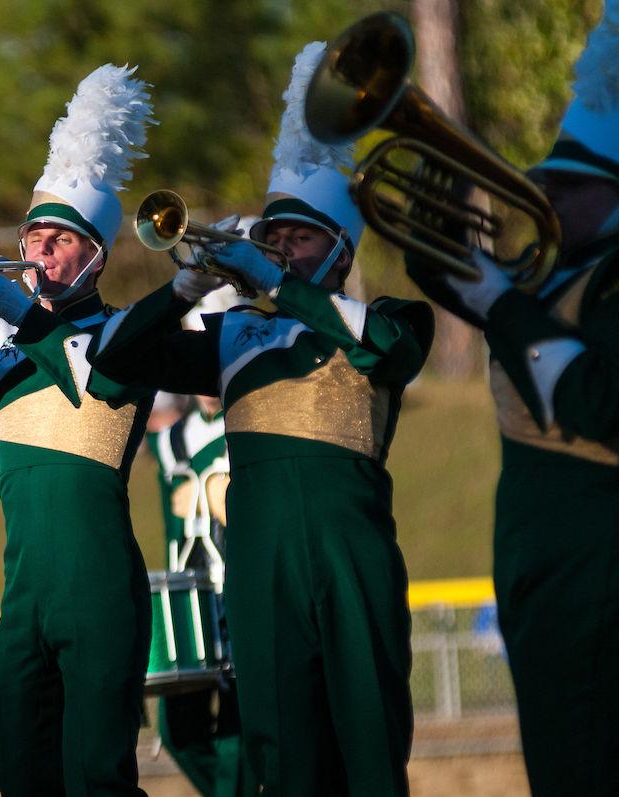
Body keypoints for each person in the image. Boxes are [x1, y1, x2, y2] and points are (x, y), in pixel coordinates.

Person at [93, 42, 433, 795]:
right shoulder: (236, 335)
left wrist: (279, 281)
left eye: (299, 236)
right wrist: (181, 289)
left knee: (373, 743)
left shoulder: (385, 315)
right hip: (262, 563)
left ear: (340, 251)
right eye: (271, 236)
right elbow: (117, 363)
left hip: (353, 553)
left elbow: (387, 351)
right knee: (279, 754)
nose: (278, 247)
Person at [0, 64, 156, 796]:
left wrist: (16, 309)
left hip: (99, 582)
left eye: (58, 240)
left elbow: (85, 377)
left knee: (97, 776)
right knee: (19, 772)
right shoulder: (9, 344)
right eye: (32, 235)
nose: (39, 252)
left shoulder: (124, 334)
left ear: (96, 255)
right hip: (24, 589)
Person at [403, 5, 619, 792]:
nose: (543, 193)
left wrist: (499, 301)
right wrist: (438, 161)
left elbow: (600, 402)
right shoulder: (549, 277)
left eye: (568, 183)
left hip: (598, 580)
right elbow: (436, 272)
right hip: (544, 579)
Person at [147, 393, 255, 797]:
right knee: (178, 733)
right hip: (188, 604)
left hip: (240, 595)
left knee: (235, 736)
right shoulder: (170, 440)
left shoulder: (250, 419)